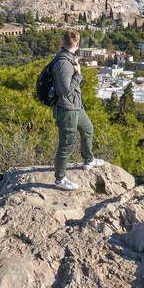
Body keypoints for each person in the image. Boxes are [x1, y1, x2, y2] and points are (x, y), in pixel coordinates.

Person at [52, 30, 105, 190]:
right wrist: (78, 75)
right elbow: (64, 90)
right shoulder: (64, 63)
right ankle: (60, 179)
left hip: (76, 107)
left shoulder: (68, 58)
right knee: (67, 144)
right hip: (67, 109)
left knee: (88, 129)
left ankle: (89, 159)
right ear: (77, 44)